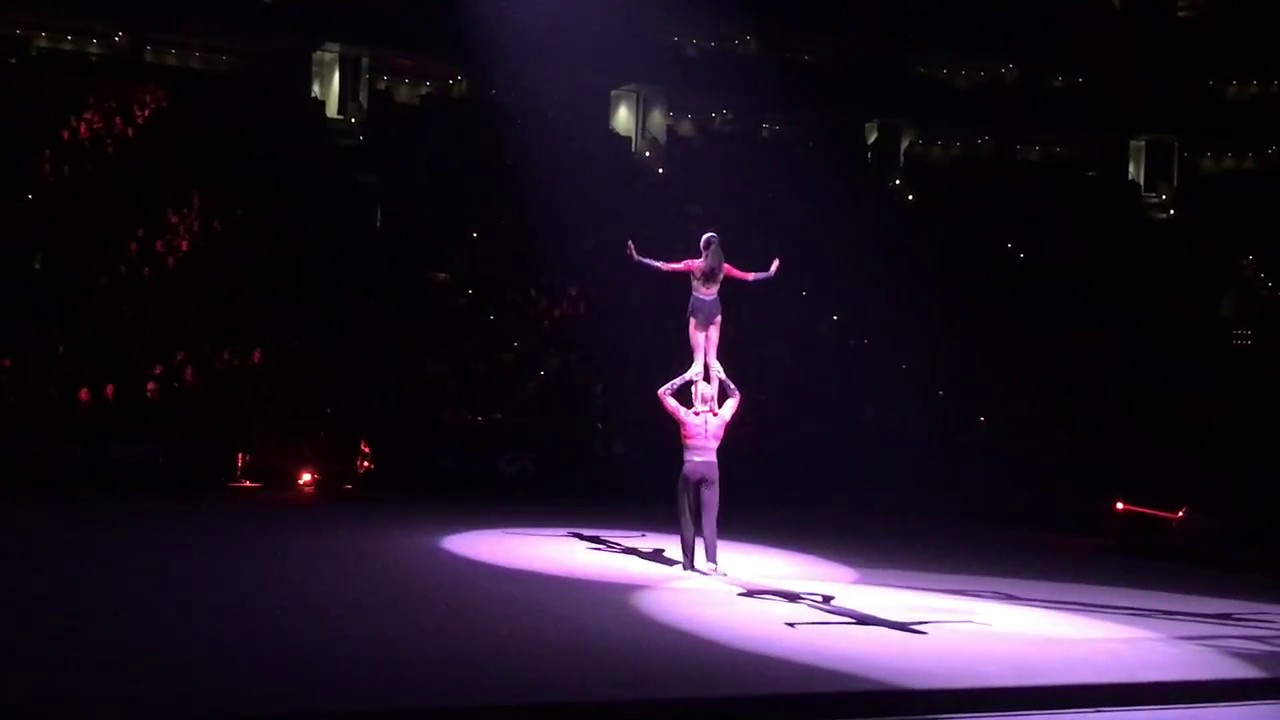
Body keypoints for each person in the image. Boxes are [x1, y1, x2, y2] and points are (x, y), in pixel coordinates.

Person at [628, 233, 778, 402]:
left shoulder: (695, 265)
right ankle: (714, 403)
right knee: (713, 359)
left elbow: (664, 266)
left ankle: (699, 404)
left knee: (698, 360)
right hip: (714, 309)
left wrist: (638, 258)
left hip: (699, 309)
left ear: (702, 247)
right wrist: (770, 272)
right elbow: (749, 277)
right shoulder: (724, 268)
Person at [658, 363, 742, 574]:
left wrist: (686, 376)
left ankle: (688, 564)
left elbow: (663, 393)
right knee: (709, 517)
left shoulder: (686, 416)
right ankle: (711, 563)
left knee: (687, 516)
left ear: (695, 397)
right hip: (711, 469)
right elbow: (735, 396)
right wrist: (723, 378)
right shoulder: (720, 418)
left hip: (690, 467)